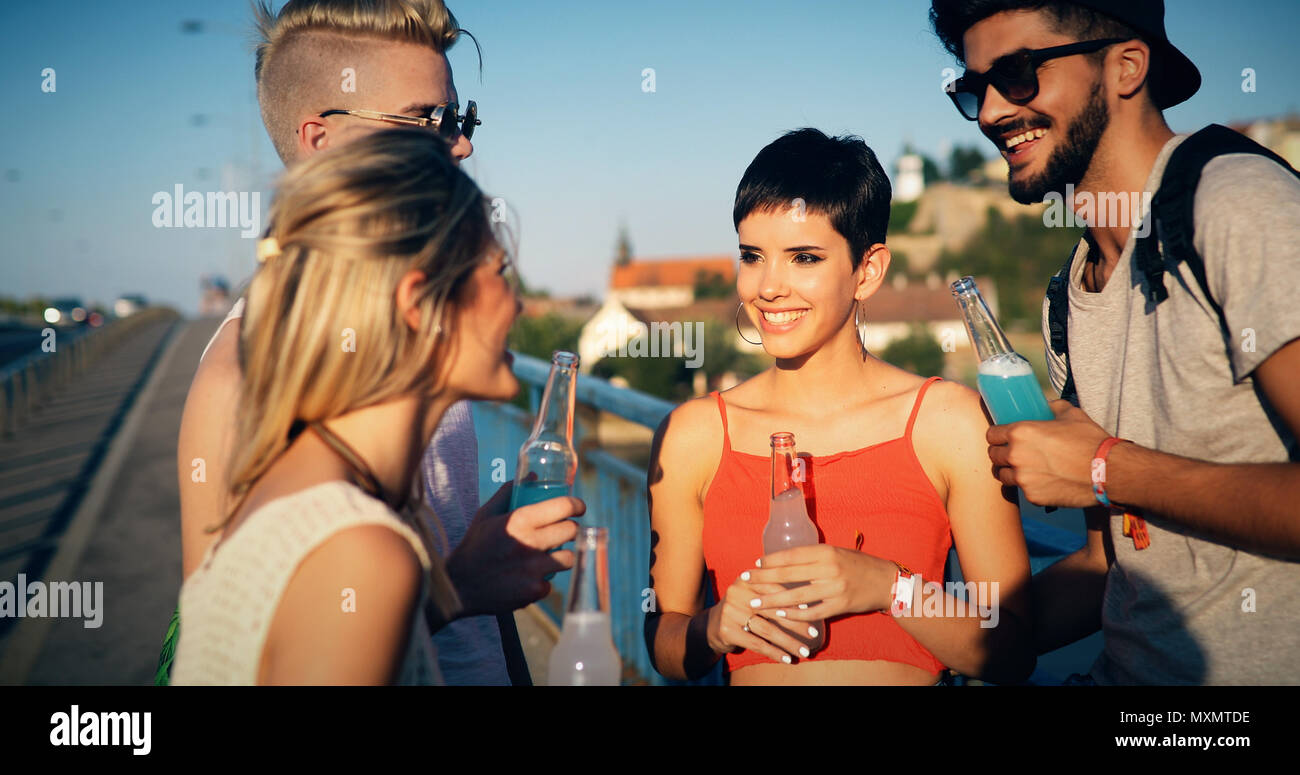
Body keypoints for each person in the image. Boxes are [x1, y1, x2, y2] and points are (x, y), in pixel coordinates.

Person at [170, 0, 580, 685]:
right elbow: (234, 650)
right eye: (426, 121)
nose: (462, 143)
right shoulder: (241, 378)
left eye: (459, 118)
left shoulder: (416, 347)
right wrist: (456, 587)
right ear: (319, 139)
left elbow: (474, 605)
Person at [929, 0, 1300, 684]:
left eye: (1016, 74)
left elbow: (1104, 472)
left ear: (1126, 66)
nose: (987, 113)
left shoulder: (1235, 206)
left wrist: (1103, 466)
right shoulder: (1069, 293)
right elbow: (1110, 561)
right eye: (973, 88)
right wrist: (902, 611)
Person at [644, 128, 1035, 685]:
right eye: (753, 256)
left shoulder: (949, 422)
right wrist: (712, 627)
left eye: (804, 258)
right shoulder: (694, 434)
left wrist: (888, 587)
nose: (768, 287)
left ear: (868, 270)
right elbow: (664, 643)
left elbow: (1013, 650)